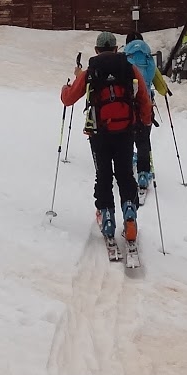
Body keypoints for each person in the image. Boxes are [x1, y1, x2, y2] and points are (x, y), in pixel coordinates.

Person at [60, 30, 154, 246]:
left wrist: (67, 86)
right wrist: (145, 121)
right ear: (115, 48)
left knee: (103, 174)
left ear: (96, 50)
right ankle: (129, 213)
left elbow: (69, 98)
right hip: (125, 131)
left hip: (99, 133)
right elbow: (143, 98)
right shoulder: (129, 68)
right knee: (124, 174)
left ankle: (107, 216)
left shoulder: (91, 71)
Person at [121, 32, 169, 196]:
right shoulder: (149, 60)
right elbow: (162, 87)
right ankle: (143, 174)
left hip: (126, 106)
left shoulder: (123, 59)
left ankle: (126, 171)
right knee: (143, 140)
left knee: (126, 139)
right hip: (145, 106)